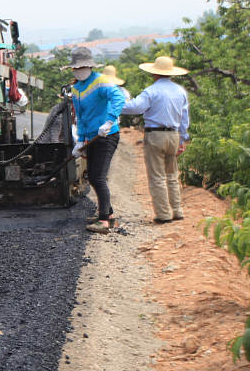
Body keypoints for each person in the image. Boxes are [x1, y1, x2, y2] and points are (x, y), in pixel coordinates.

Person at [120, 55, 191, 224]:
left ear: (155, 73)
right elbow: (184, 117)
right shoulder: (180, 91)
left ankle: (163, 214)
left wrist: (117, 102)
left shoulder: (151, 91)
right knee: (172, 174)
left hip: (155, 135)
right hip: (174, 135)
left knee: (157, 176)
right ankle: (177, 210)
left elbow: (134, 108)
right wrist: (182, 139)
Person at [69, 47, 126, 234]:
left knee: (98, 177)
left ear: (90, 66)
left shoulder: (101, 81)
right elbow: (81, 117)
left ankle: (103, 221)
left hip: (107, 135)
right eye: (78, 67)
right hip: (92, 138)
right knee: (92, 176)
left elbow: (118, 98)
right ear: (73, 69)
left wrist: (109, 121)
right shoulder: (76, 88)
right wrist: (80, 141)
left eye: (84, 66)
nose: (81, 70)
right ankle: (107, 213)